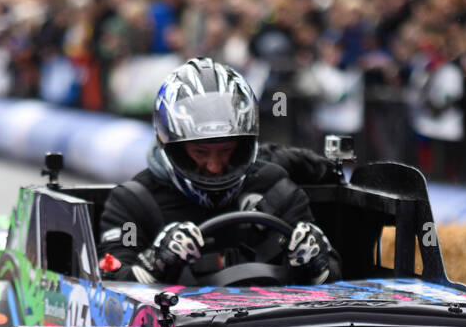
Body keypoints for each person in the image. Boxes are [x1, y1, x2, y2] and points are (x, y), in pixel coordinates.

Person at [97, 57, 341, 285]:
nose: (214, 166)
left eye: (227, 150)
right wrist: (156, 261)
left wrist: (315, 264)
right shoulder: (133, 202)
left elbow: (337, 274)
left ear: (245, 144)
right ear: (170, 144)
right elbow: (110, 281)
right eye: (200, 152)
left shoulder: (276, 188)